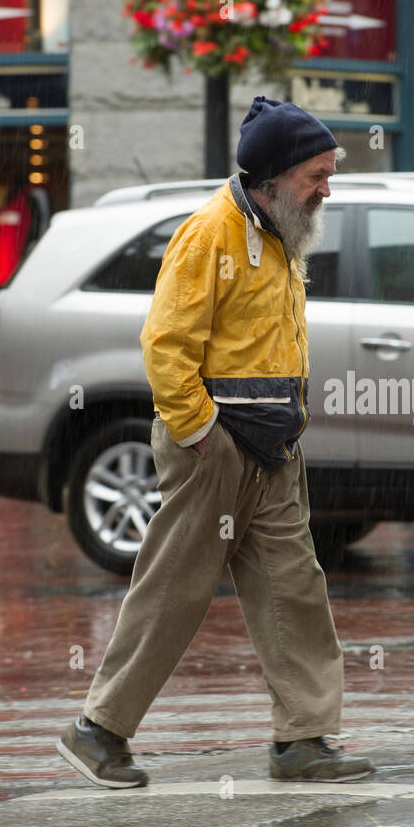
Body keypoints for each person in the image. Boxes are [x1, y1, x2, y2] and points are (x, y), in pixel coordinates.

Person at [57, 97, 376, 789]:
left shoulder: (281, 228)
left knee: (294, 586)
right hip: (217, 444)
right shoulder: (210, 234)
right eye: (316, 174)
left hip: (272, 446)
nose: (327, 188)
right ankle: (98, 730)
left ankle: (302, 740)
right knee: (175, 587)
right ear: (272, 176)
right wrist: (203, 433)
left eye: (329, 172)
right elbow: (166, 347)